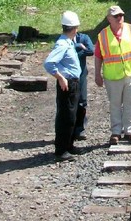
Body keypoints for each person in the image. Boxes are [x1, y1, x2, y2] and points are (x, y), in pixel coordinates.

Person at [94, 5, 131, 145]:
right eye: (116, 16)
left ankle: (130, 131)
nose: (119, 18)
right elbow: (98, 56)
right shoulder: (102, 35)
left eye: (121, 15)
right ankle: (116, 132)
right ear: (109, 19)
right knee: (115, 104)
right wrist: (97, 74)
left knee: (130, 103)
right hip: (112, 76)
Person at [43, 10, 83, 161]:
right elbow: (49, 63)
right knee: (66, 117)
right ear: (74, 28)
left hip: (73, 83)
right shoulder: (62, 44)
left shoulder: (69, 42)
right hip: (67, 84)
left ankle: (69, 145)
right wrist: (60, 77)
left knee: (73, 115)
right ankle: (61, 151)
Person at [73, 30, 94, 140]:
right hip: (68, 76)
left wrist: (75, 53)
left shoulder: (84, 37)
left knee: (82, 101)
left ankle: (80, 129)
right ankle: (70, 129)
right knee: (69, 103)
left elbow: (91, 50)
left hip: (81, 74)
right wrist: (77, 46)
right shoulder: (63, 40)